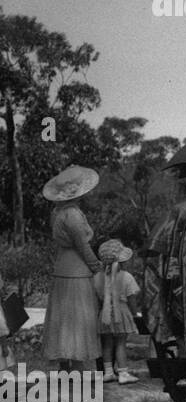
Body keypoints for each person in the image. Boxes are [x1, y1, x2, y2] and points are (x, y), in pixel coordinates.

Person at [41, 165, 103, 373]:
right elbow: (82, 245)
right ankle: (75, 366)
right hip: (76, 269)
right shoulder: (73, 215)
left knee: (63, 318)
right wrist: (96, 266)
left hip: (63, 266)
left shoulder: (58, 213)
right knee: (77, 318)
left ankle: (64, 367)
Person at [92, 239, 140, 384]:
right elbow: (132, 298)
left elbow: (97, 299)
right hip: (121, 313)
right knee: (120, 343)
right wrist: (134, 313)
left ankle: (108, 372)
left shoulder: (97, 277)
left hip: (105, 315)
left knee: (107, 344)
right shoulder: (126, 277)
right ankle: (123, 373)